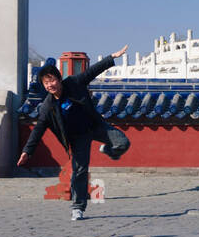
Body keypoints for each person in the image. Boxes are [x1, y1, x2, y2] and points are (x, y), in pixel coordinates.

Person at [17, 45, 130, 220]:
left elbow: (92, 71)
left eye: (52, 80)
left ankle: (108, 149)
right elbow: (38, 129)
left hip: (94, 125)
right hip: (77, 138)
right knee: (79, 171)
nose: (50, 85)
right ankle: (78, 207)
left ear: (59, 79)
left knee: (123, 143)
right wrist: (27, 151)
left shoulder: (74, 83)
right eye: (46, 83)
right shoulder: (47, 107)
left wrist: (112, 57)